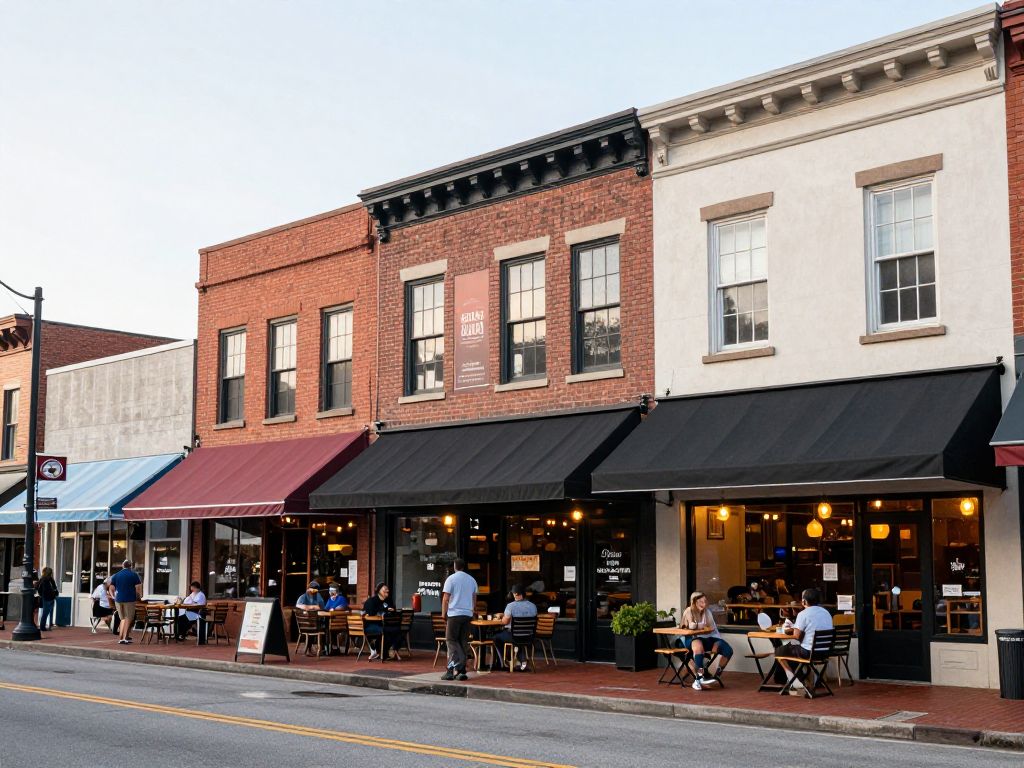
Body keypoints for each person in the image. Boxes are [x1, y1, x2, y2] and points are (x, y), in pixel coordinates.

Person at [774, 587, 834, 695]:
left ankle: (797, 681)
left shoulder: (803, 614)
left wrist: (792, 630)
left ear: (804, 601)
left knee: (779, 651)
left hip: (809, 652)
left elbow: (796, 636)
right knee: (791, 650)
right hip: (825, 652)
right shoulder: (826, 613)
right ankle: (800, 681)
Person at [679, 591, 734, 690]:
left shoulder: (707, 612)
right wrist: (697, 626)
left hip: (710, 637)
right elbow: (691, 626)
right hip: (693, 638)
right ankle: (699, 678)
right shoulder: (689, 611)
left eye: (705, 601)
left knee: (728, 650)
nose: (703, 604)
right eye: (700, 601)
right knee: (698, 647)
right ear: (694, 602)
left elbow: (711, 628)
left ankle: (716, 675)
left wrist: (715, 642)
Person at [441, 559, 477, 681]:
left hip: (454, 614)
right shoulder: (471, 580)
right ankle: (462, 671)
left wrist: (443, 613)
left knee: (451, 640)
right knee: (463, 641)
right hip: (467, 614)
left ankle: (450, 671)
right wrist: (472, 610)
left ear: (455, 567)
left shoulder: (451, 579)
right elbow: (474, 598)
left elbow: (446, 598)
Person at [492, 584, 538, 671]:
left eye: (512, 593)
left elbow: (505, 622)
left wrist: (500, 618)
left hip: (514, 636)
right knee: (517, 638)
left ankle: (506, 661)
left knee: (496, 637)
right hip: (529, 636)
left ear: (516, 594)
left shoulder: (510, 606)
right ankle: (521, 660)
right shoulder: (533, 606)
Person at [362, 582, 399, 660]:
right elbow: (370, 613)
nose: (387, 590)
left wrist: (392, 611)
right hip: (371, 625)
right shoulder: (371, 601)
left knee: (397, 630)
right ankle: (382, 652)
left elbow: (392, 610)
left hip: (385, 623)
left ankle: (388, 649)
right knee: (386, 630)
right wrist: (384, 610)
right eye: (385, 589)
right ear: (379, 591)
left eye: (387, 589)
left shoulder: (389, 600)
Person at [109, 559, 142, 644]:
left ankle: (121, 637)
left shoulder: (116, 575)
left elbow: (111, 588)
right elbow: (138, 588)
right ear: (130, 566)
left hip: (118, 599)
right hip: (129, 599)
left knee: (122, 618)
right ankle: (124, 638)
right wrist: (139, 596)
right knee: (128, 618)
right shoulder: (133, 575)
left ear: (122, 566)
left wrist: (113, 597)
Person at [36, 566, 59, 631]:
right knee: (46, 613)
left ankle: (47, 626)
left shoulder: (44, 579)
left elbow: (38, 588)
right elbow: (50, 589)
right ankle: (42, 627)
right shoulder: (46, 580)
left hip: (48, 598)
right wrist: (54, 594)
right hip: (47, 598)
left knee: (47, 613)